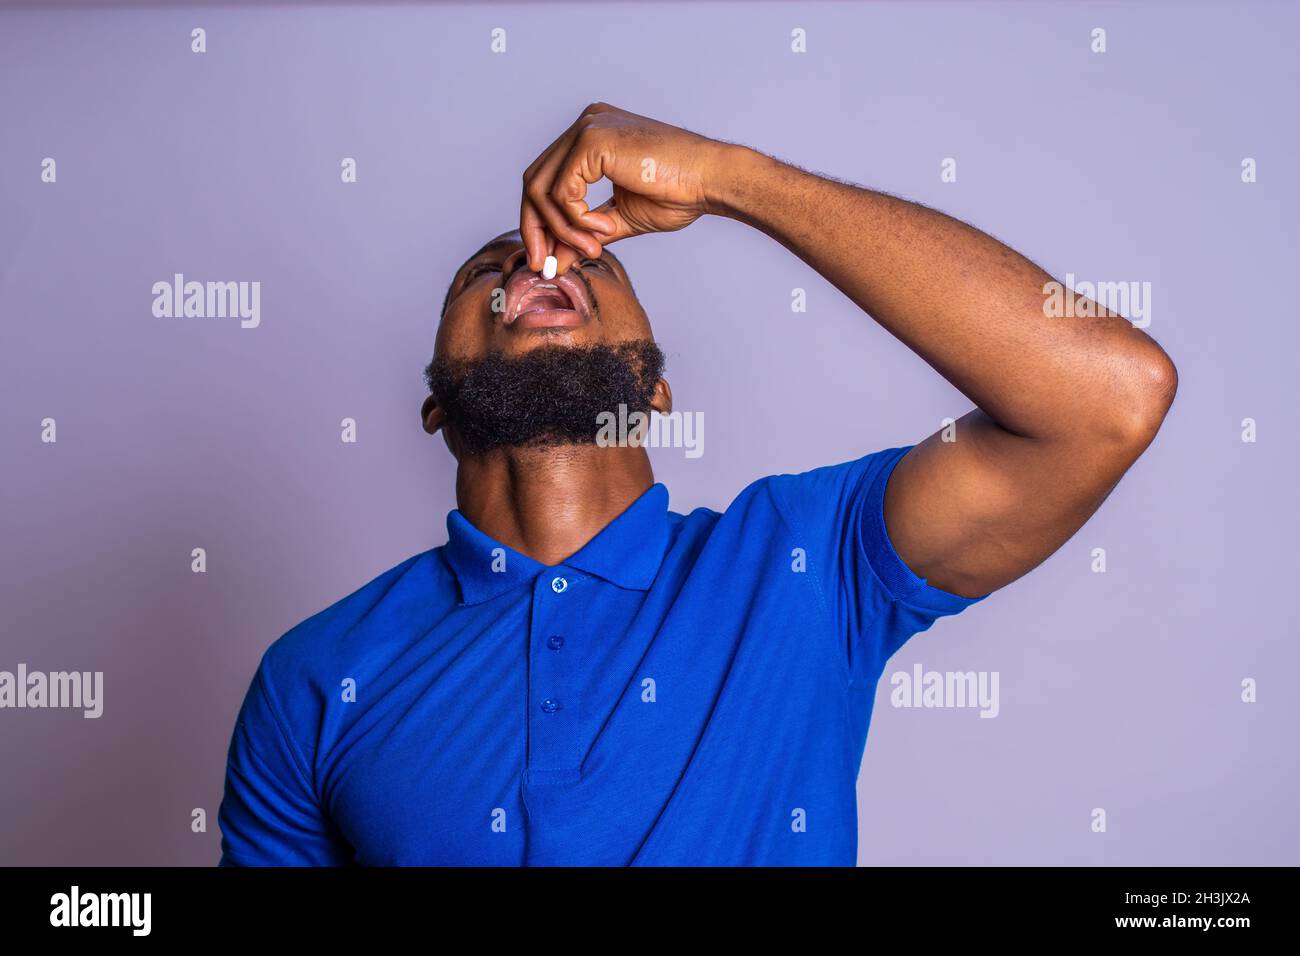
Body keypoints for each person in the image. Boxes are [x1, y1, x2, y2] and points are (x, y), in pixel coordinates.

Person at [218, 104, 1176, 866]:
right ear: (435, 401)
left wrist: (731, 179)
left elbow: (1109, 398)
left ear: (657, 389)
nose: (537, 259)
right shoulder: (315, 675)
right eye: (486, 273)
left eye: (588, 258)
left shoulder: (807, 560)